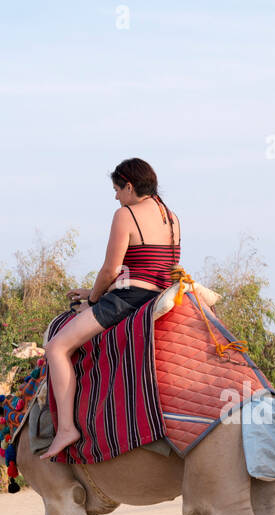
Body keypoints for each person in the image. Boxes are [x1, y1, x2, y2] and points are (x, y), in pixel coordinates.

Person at [39, 157, 181, 458]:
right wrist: (93, 291)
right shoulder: (171, 216)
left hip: (128, 300)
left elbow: (111, 270)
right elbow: (150, 267)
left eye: (117, 189)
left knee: (56, 348)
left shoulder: (125, 214)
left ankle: (66, 428)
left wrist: (92, 300)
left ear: (129, 186)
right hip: (158, 296)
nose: (116, 196)